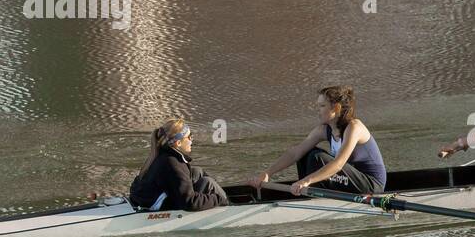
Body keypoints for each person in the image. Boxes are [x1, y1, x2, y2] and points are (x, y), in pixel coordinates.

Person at [246, 86, 386, 196]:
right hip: (349, 181)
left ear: (336, 108)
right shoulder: (323, 130)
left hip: (372, 186)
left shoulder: (354, 127)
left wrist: (307, 180)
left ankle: (310, 192)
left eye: (322, 106)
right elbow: (295, 153)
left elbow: (338, 165)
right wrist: (267, 173)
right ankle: (306, 193)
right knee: (305, 155)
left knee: (317, 158)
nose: (318, 110)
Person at [128, 119, 230, 211]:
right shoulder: (173, 164)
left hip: (145, 199)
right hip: (156, 207)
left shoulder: (160, 153)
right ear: (178, 143)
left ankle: (222, 195)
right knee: (208, 182)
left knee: (197, 171)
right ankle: (228, 205)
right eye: (189, 137)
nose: (191, 140)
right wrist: (217, 198)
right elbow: (189, 202)